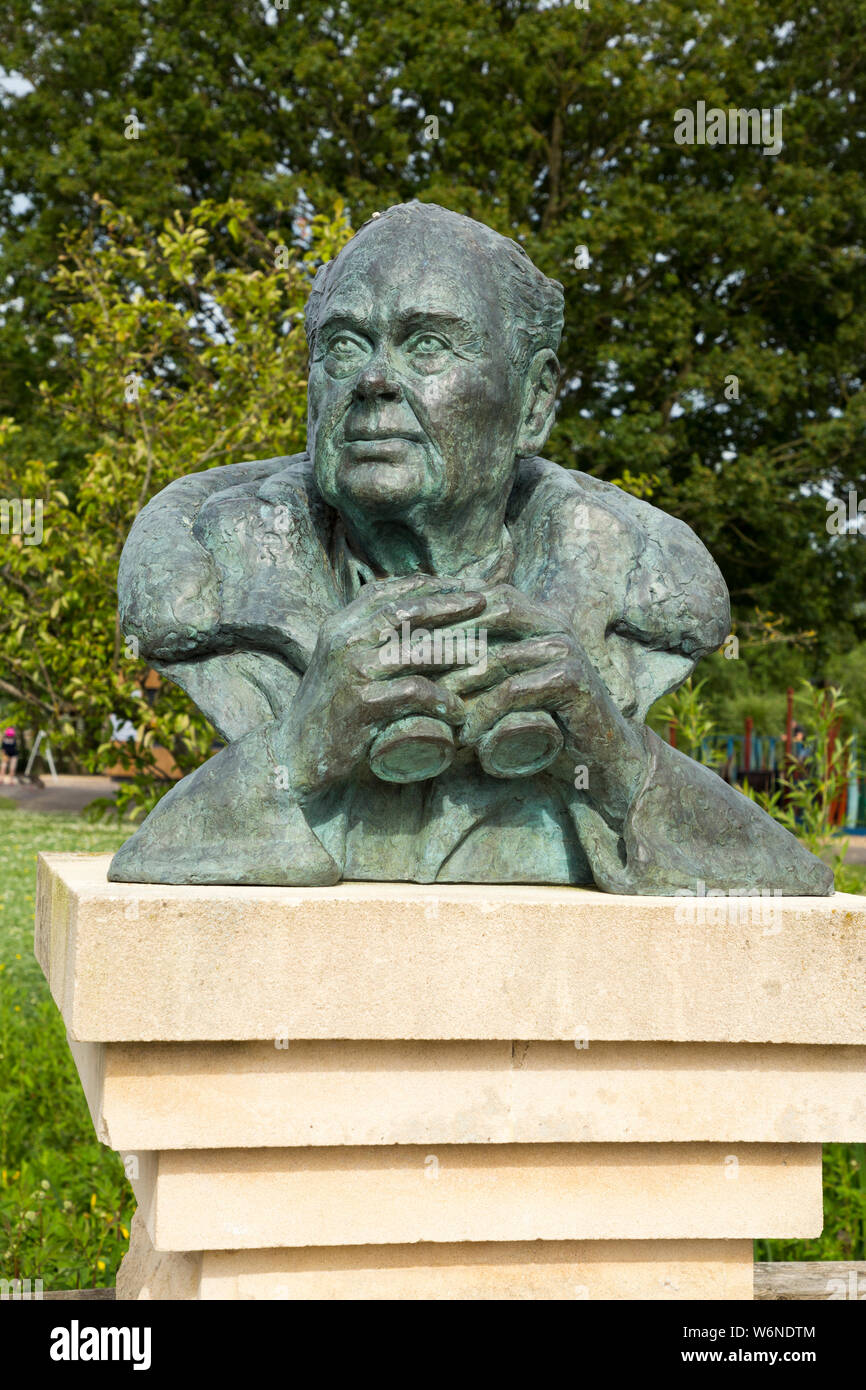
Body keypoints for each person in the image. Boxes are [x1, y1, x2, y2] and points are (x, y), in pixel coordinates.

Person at [108, 202, 832, 895]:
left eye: (428, 344)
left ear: (534, 401)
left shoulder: (628, 590)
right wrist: (295, 752)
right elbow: (152, 863)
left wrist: (614, 760)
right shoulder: (220, 588)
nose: (373, 380)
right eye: (344, 346)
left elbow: (784, 878)